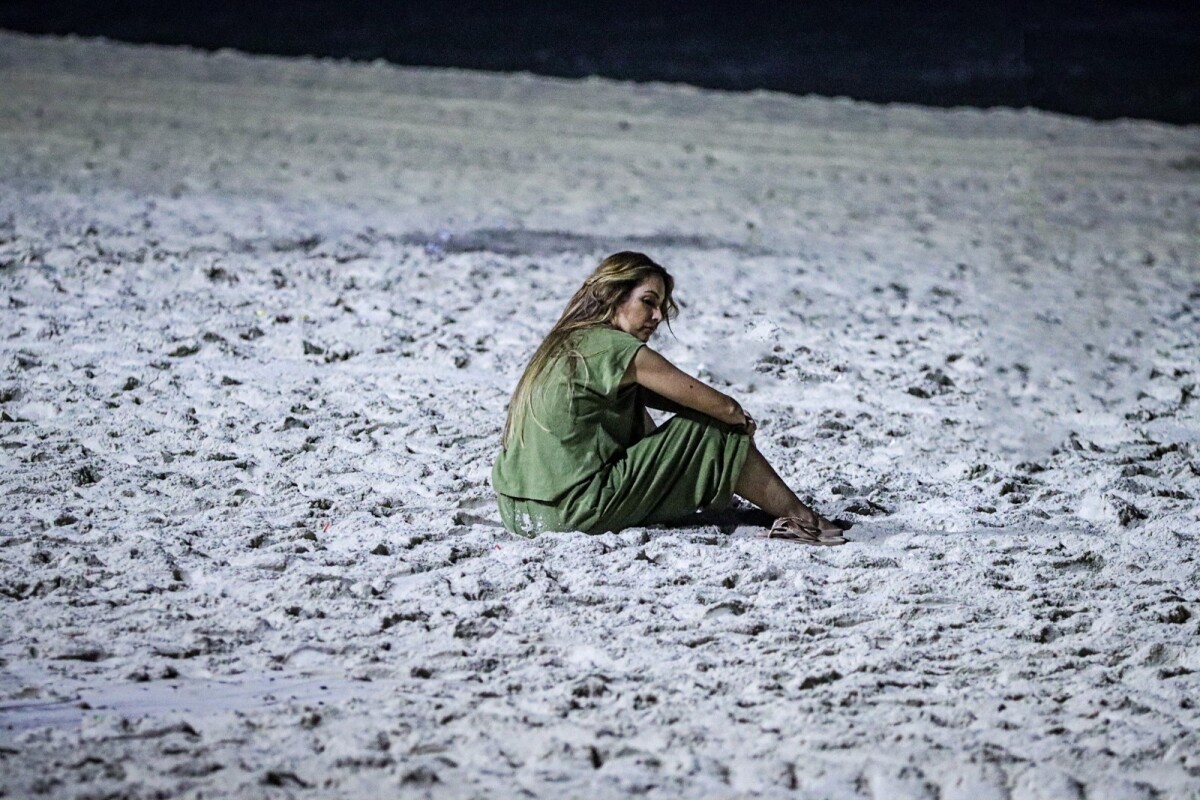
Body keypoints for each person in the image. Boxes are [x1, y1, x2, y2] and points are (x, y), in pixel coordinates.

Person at [491, 251, 846, 545]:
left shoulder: (565, 343)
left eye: (660, 306)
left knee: (643, 410)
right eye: (648, 302)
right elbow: (725, 407)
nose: (658, 316)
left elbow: (656, 423)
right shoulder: (616, 348)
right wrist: (739, 425)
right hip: (570, 513)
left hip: (519, 512)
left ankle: (763, 503)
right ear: (613, 296)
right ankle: (804, 519)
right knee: (716, 428)